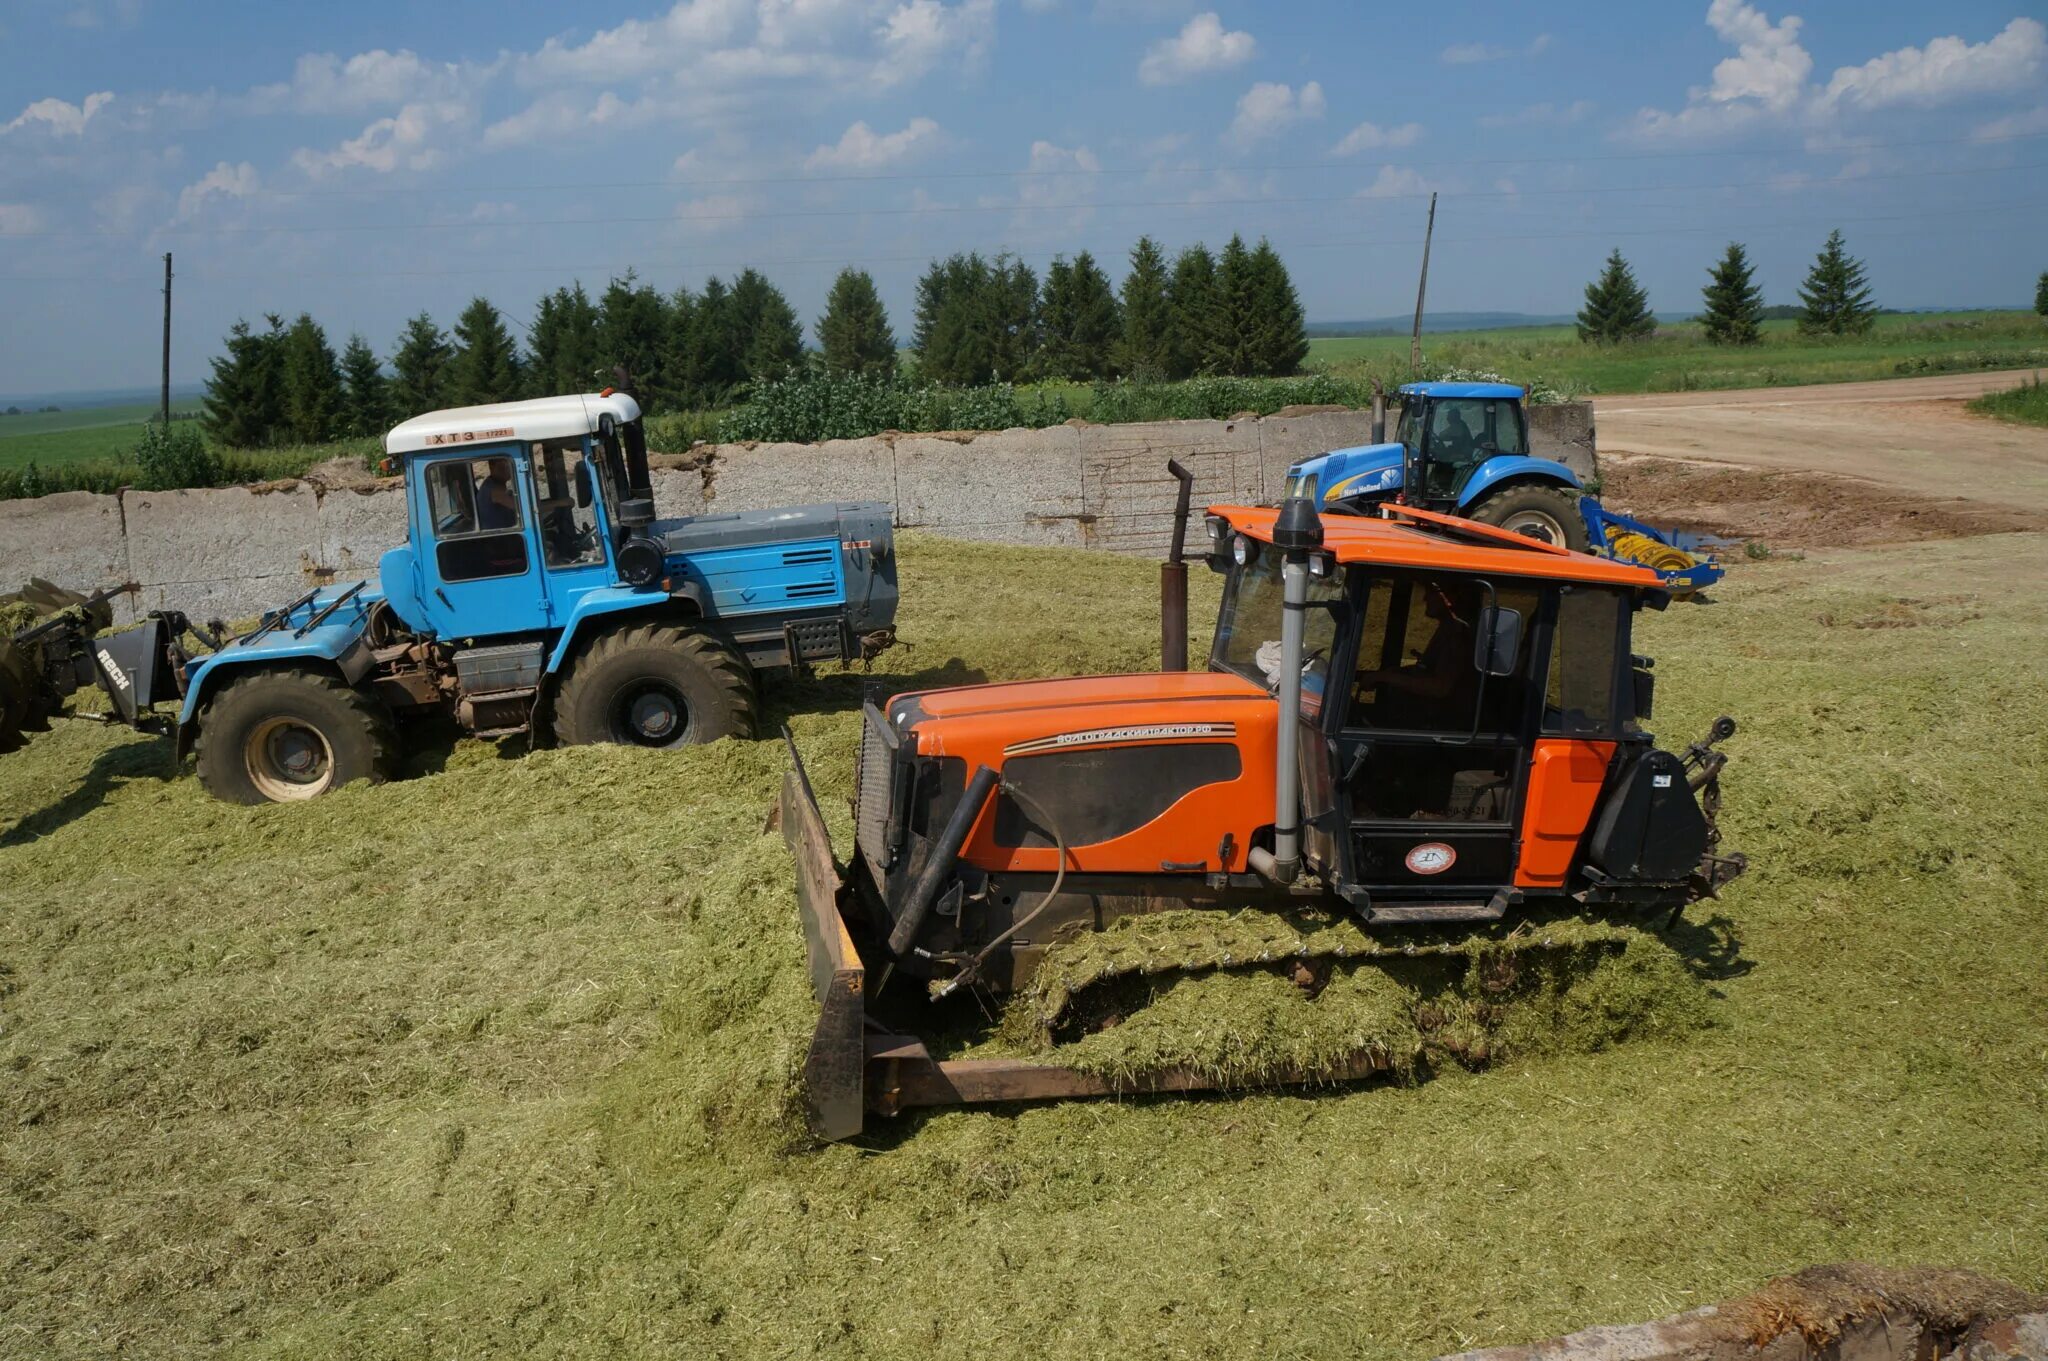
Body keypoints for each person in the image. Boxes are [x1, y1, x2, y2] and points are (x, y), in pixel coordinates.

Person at [1354, 579, 1477, 728]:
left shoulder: (1458, 634)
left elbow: (1440, 687)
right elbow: (1428, 671)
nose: (1424, 598)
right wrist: (1395, 673)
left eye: (1431, 592)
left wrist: (1386, 677)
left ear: (1449, 598)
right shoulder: (1447, 629)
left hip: (1439, 727)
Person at [476, 460, 519, 531]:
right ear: (492, 467)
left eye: (508, 465)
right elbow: (519, 507)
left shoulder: (494, 484)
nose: (507, 468)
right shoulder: (493, 488)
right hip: (499, 535)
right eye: (503, 466)